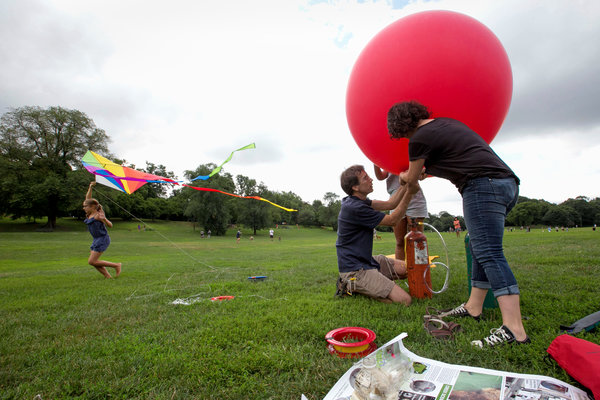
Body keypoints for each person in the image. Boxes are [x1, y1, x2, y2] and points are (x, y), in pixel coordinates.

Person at [387, 100, 529, 347]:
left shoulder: (419, 138)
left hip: (482, 185)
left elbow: (411, 180)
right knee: (478, 246)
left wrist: (404, 175)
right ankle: (474, 307)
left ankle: (514, 330)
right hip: (506, 185)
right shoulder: (445, 124)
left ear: (400, 126)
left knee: (489, 253)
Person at [336, 165, 420, 306]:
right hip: (355, 270)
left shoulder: (359, 201)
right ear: (355, 187)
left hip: (366, 261)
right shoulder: (355, 208)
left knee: (407, 269)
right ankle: (350, 286)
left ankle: (368, 284)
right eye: (365, 178)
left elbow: (390, 203)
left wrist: (407, 183)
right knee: (405, 301)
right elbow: (393, 220)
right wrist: (410, 193)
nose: (371, 179)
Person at [373, 165, 428, 260]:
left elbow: (423, 174)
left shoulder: (414, 157)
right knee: (400, 241)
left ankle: (419, 272)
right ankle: (401, 272)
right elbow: (380, 176)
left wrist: (420, 172)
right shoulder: (391, 160)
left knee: (417, 239)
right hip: (395, 198)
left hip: (414, 195)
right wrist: (375, 160)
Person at [83, 182, 121, 279]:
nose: (84, 208)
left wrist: (104, 219)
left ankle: (116, 265)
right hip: (96, 239)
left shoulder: (98, 214)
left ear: (92, 207)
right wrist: (90, 187)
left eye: (85, 206)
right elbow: (88, 199)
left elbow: (110, 225)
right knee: (94, 261)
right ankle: (108, 277)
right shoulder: (90, 213)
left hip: (102, 239)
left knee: (92, 261)